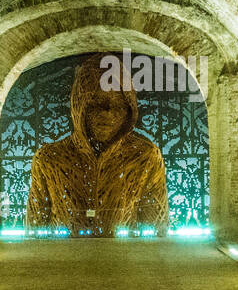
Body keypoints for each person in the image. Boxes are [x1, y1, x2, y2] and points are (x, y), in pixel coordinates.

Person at [25, 53, 169, 236]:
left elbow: (156, 228)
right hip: (63, 259)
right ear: (80, 105)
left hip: (125, 258)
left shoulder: (144, 156)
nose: (108, 113)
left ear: (129, 109)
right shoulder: (49, 160)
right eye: (96, 103)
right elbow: (35, 227)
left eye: (118, 105)